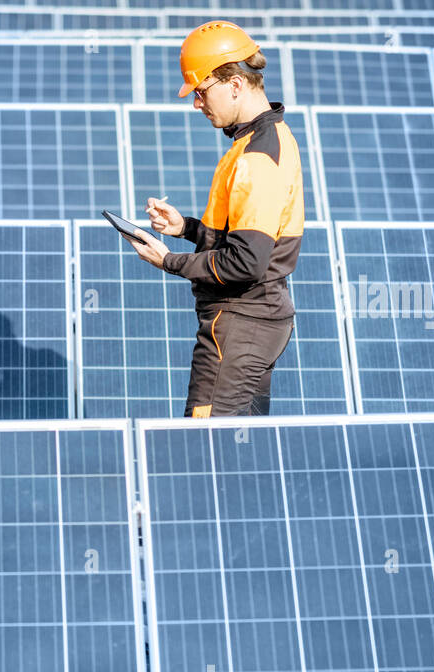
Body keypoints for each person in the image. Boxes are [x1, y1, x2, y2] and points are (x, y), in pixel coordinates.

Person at [126, 20, 305, 417]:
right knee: (241, 452)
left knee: (208, 449)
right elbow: (246, 236)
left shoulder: (258, 157)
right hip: (256, 325)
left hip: (239, 327)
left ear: (235, 86)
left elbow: (245, 262)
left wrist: (167, 260)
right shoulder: (266, 139)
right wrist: (186, 228)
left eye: (202, 92)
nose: (196, 103)